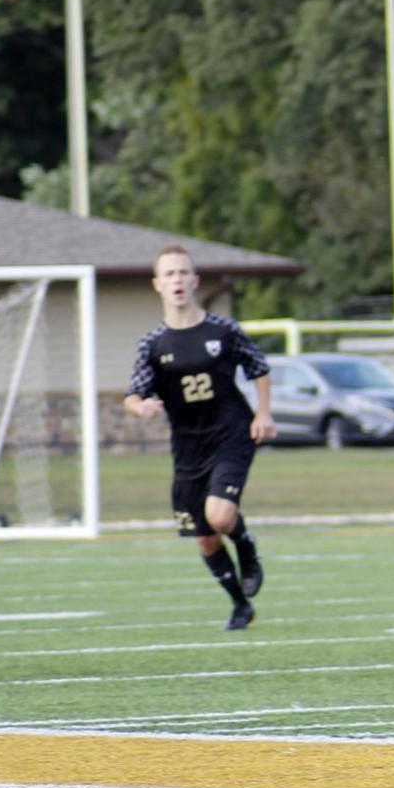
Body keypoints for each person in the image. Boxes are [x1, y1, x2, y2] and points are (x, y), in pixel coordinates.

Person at [124, 245, 277, 631]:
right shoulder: (153, 345)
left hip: (231, 434)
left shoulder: (223, 331)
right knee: (205, 539)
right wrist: (140, 407)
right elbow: (133, 394)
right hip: (189, 447)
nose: (177, 280)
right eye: (169, 274)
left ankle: (247, 547)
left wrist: (263, 412)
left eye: (183, 273)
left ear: (195, 281)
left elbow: (258, 366)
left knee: (220, 515)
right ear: (158, 285)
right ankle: (241, 606)